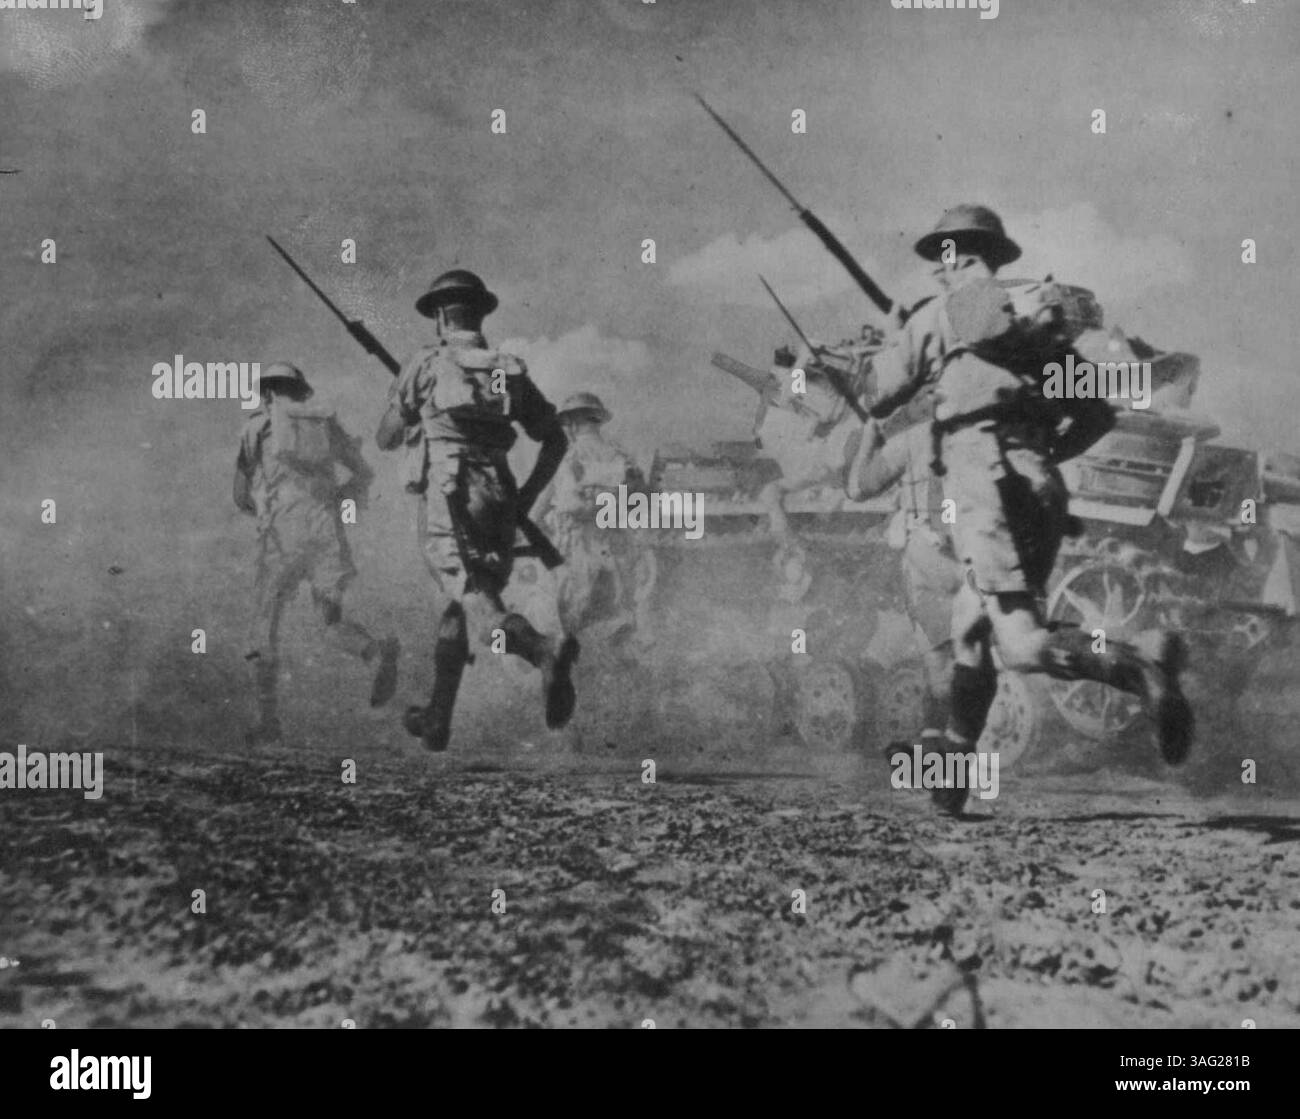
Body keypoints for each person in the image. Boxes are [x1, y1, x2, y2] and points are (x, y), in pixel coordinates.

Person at [867, 204, 1193, 814]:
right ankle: (950, 780)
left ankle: (1139, 665)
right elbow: (1097, 414)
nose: (938, 275)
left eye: (943, 263)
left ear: (957, 258)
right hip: (1040, 484)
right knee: (971, 627)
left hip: (979, 484)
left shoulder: (944, 314)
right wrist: (1039, 452)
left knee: (1017, 643)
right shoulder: (1039, 333)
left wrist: (895, 336)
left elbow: (875, 392)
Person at [375, 269, 579, 752]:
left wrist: (410, 411)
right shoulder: (506, 370)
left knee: (479, 602)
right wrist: (525, 497)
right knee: (461, 598)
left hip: (449, 495)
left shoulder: (426, 363)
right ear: (481, 314)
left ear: (442, 316)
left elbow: (384, 437)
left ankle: (541, 650)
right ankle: (437, 717)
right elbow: (553, 438)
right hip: (500, 496)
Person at [234, 362, 399, 745]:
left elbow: (240, 495)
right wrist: (337, 499)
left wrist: (263, 505)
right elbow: (363, 473)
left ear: (267, 392)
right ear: (300, 391)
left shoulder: (255, 428)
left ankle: (268, 722)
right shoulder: (325, 425)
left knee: (265, 625)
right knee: (329, 620)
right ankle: (374, 653)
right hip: (326, 529)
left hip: (281, 535)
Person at [534, 391, 652, 642]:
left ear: (573, 423)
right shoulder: (624, 460)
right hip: (619, 553)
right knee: (619, 618)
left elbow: (537, 515)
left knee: (557, 623)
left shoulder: (566, 459)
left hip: (576, 551)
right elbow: (641, 507)